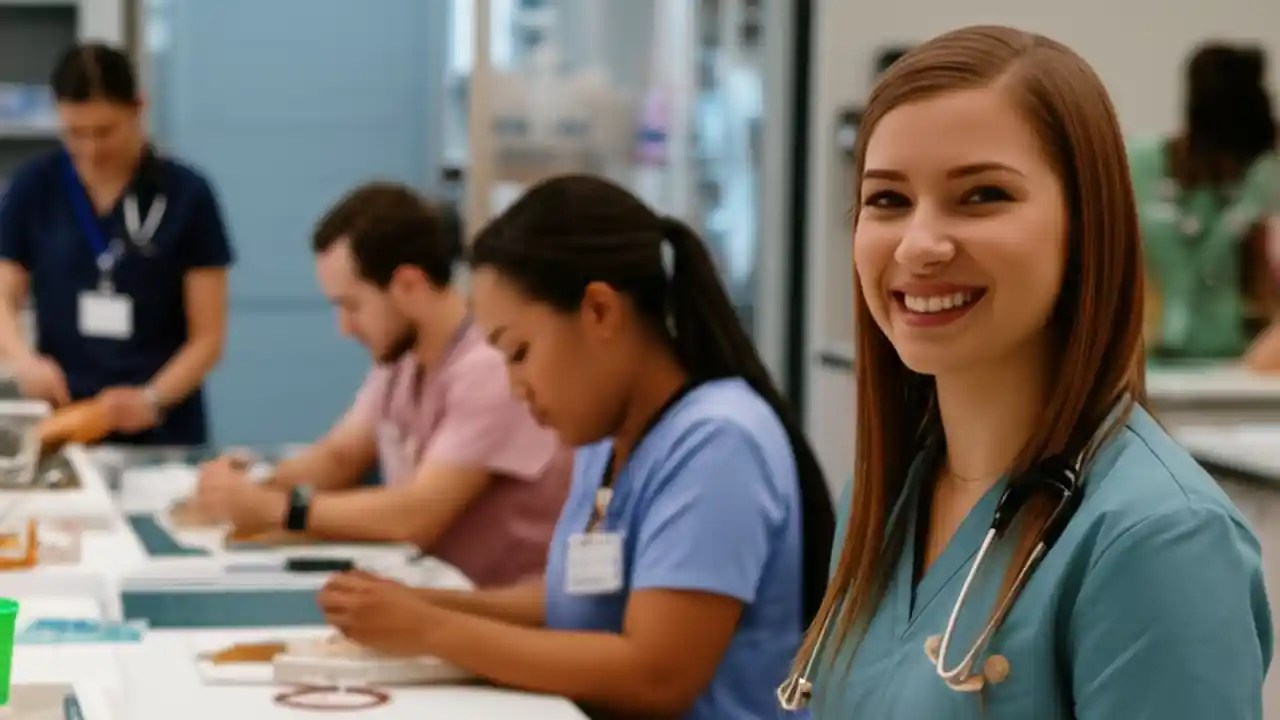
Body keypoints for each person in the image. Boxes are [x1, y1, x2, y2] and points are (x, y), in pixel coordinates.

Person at [781, 26, 1272, 718]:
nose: (919, 245)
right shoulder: (886, 492)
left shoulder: (1159, 541)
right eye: (887, 200)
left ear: (1086, 223)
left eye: (982, 195)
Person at [317, 175, 836, 719]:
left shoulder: (719, 442)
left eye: (519, 353)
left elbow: (655, 676)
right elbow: (574, 601)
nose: (516, 390)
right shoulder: (606, 441)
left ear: (598, 311)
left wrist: (432, 629)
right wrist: (417, 604)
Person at [194, 183, 572, 588]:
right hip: (435, 596)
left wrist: (278, 507)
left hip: (499, 612)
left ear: (408, 284)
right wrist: (245, 491)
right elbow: (340, 456)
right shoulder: (402, 359)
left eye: (352, 305)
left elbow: (415, 516)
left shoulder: (488, 369)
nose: (343, 328)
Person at [0, 43, 233, 445]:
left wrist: (152, 400)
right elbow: (4, 296)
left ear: (138, 108)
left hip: (161, 427)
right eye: (75, 133)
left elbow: (208, 338)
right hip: (65, 418)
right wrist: (23, 361)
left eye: (105, 131)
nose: (90, 150)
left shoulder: (187, 195)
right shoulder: (34, 188)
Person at [1129, 43, 1280, 362]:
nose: (1232, 171)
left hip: (1232, 361)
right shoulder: (1135, 167)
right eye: (1227, 158)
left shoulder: (1259, 178)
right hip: (1148, 360)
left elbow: (1261, 274)